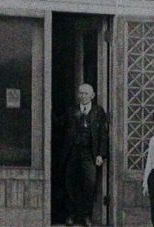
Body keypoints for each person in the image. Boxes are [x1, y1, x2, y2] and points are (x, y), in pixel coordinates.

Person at [61, 83, 108, 227]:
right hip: (73, 152)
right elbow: (61, 127)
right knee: (70, 183)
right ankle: (71, 214)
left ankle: (86, 215)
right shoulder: (71, 110)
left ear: (92, 96)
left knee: (90, 184)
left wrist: (101, 154)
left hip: (90, 153)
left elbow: (103, 135)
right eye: (80, 93)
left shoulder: (98, 112)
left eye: (86, 93)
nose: (82, 96)